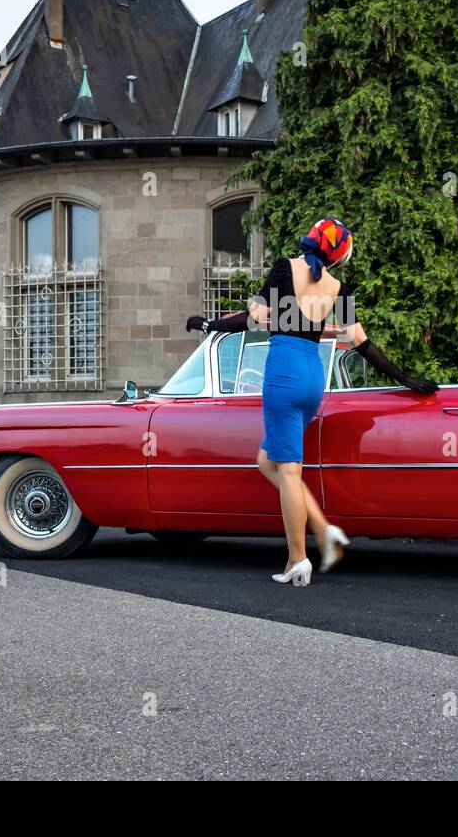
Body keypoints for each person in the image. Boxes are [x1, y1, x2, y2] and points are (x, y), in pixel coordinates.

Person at [185, 218, 438, 586]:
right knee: (267, 462)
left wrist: (210, 325)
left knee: (288, 471)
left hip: (284, 374)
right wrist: (405, 378)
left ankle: (297, 559)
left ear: (312, 238)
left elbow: (255, 318)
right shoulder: (337, 287)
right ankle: (323, 530)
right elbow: (360, 342)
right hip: (313, 377)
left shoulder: (284, 268)